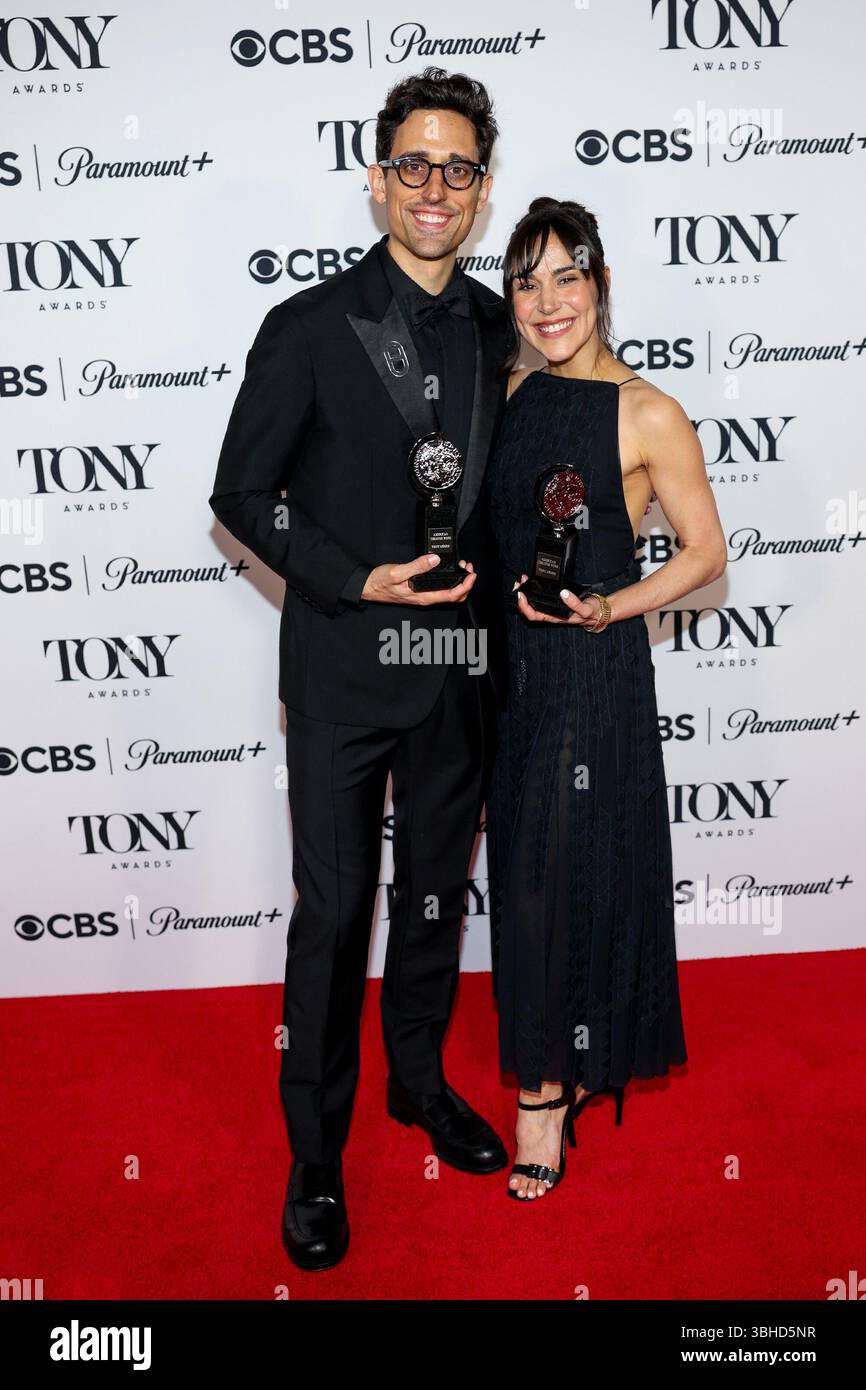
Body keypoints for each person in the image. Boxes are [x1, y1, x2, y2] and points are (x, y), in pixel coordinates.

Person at [209, 67, 513, 1270]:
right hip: (342, 666)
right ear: (377, 177)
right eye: (412, 163)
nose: (433, 187)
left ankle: (419, 1081)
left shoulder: (505, 328)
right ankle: (316, 1156)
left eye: (457, 167)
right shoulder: (307, 326)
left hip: (456, 669)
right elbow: (240, 495)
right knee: (333, 922)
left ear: (480, 190)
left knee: (434, 900)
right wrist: (353, 576)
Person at [485, 198, 727, 1201]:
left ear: (601, 284)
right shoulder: (505, 390)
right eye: (525, 281)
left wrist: (609, 608)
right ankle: (565, 1048)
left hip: (590, 670)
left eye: (564, 278)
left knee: (558, 869)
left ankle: (543, 1093)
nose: (545, 303)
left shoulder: (646, 411)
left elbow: (707, 555)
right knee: (526, 866)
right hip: (505, 668)